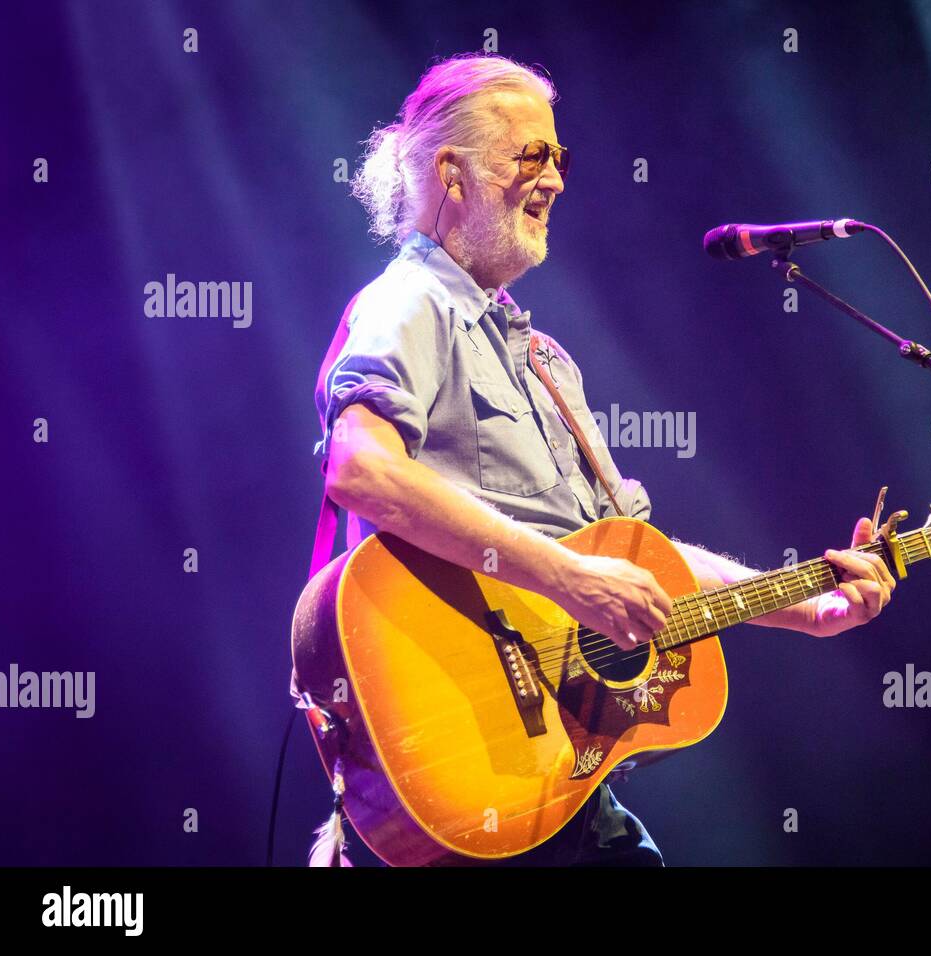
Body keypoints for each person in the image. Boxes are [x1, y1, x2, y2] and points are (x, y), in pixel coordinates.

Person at [310, 53, 896, 866]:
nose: (555, 178)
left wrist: (810, 607)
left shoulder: (544, 359)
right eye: (531, 155)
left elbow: (631, 560)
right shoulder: (409, 303)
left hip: (555, 779)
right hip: (462, 756)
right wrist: (565, 577)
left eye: (561, 157)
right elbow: (360, 470)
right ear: (451, 172)